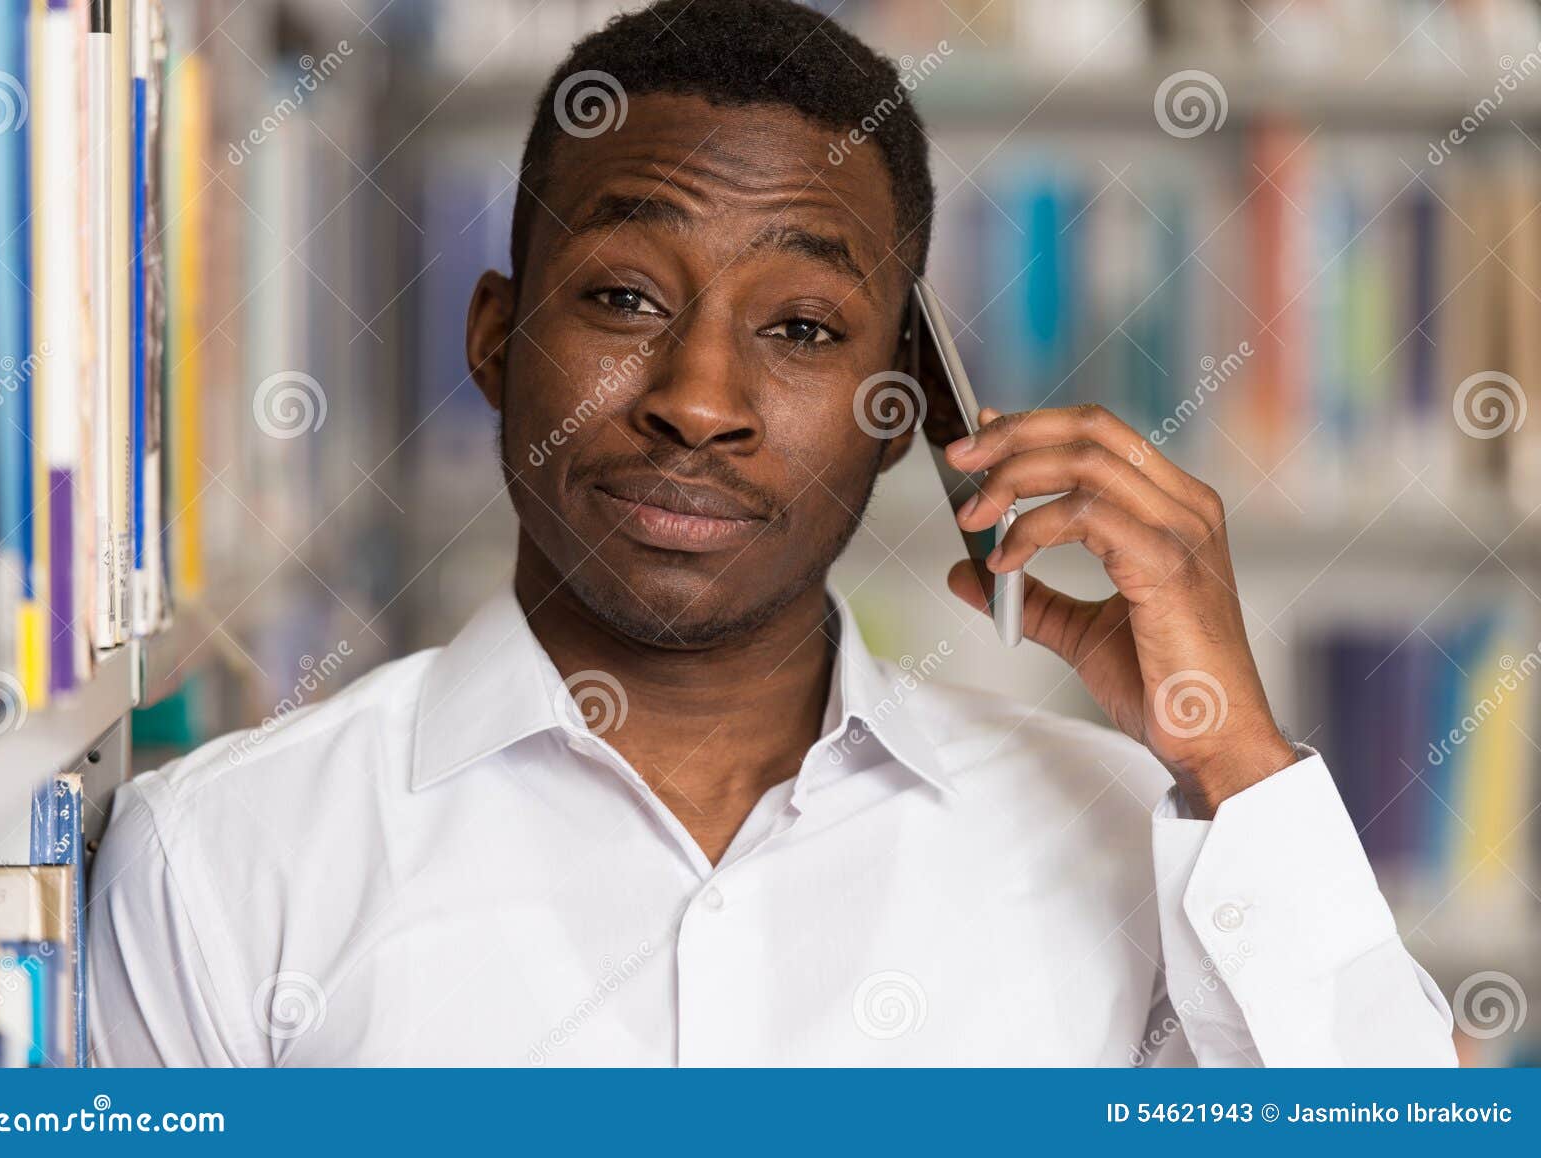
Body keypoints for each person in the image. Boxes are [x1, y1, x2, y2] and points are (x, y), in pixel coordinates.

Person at [90, 0, 1455, 1066]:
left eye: (801, 329)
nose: (697, 401)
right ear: (496, 339)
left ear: (900, 404)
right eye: (625, 298)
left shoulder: (1133, 846)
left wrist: (1240, 760)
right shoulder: (224, 859)